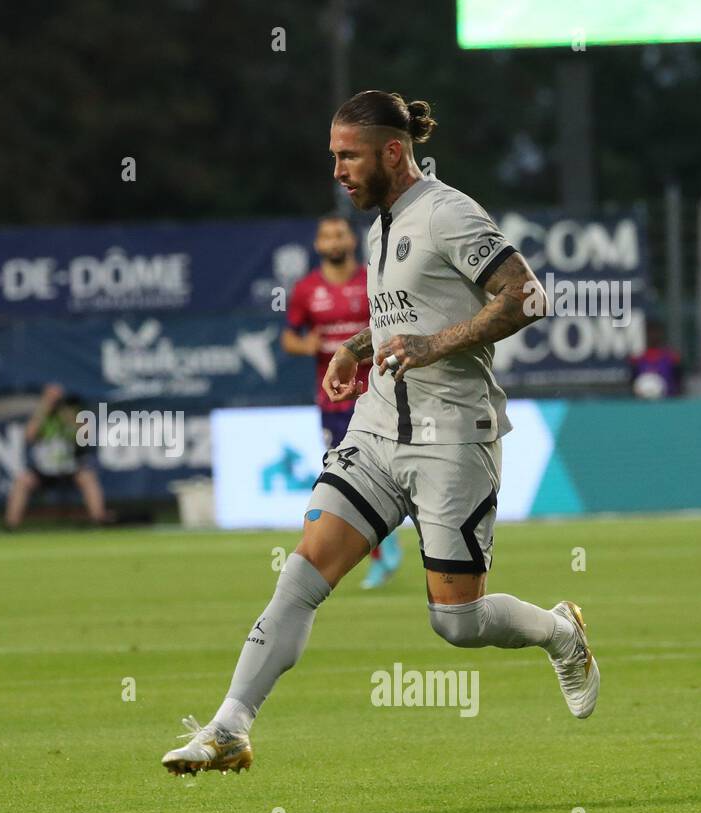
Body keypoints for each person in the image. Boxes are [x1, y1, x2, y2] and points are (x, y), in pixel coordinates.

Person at [162, 90, 599, 776]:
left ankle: (560, 632)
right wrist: (359, 347)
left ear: (392, 152)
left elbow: (527, 296)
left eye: (347, 156)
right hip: (376, 427)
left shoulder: (447, 212)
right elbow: (411, 314)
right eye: (333, 155)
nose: (336, 169)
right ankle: (229, 728)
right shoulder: (380, 223)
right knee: (302, 572)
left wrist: (435, 345)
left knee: (456, 621)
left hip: (452, 434)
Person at [283, 213, 404, 589]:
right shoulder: (306, 290)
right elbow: (290, 338)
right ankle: (384, 549)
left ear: (351, 240)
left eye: (339, 234)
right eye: (326, 236)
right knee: (345, 475)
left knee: (394, 469)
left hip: (376, 394)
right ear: (318, 245)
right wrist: (310, 345)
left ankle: (394, 541)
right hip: (332, 399)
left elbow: (393, 326)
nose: (334, 241)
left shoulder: (372, 279)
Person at [5, 384, 107, 530]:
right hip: (44, 469)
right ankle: (11, 525)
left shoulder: (74, 413)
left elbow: (85, 436)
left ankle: (99, 520)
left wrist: (67, 412)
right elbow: (29, 436)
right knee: (22, 480)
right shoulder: (42, 416)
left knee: (87, 477)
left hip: (69, 468)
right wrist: (45, 405)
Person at [629, 319, 682, 399]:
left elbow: (679, 383)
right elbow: (632, 384)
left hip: (668, 403)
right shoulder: (636, 360)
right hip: (642, 404)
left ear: (661, 335)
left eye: (656, 333)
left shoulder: (672, 358)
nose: (653, 336)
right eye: (650, 333)